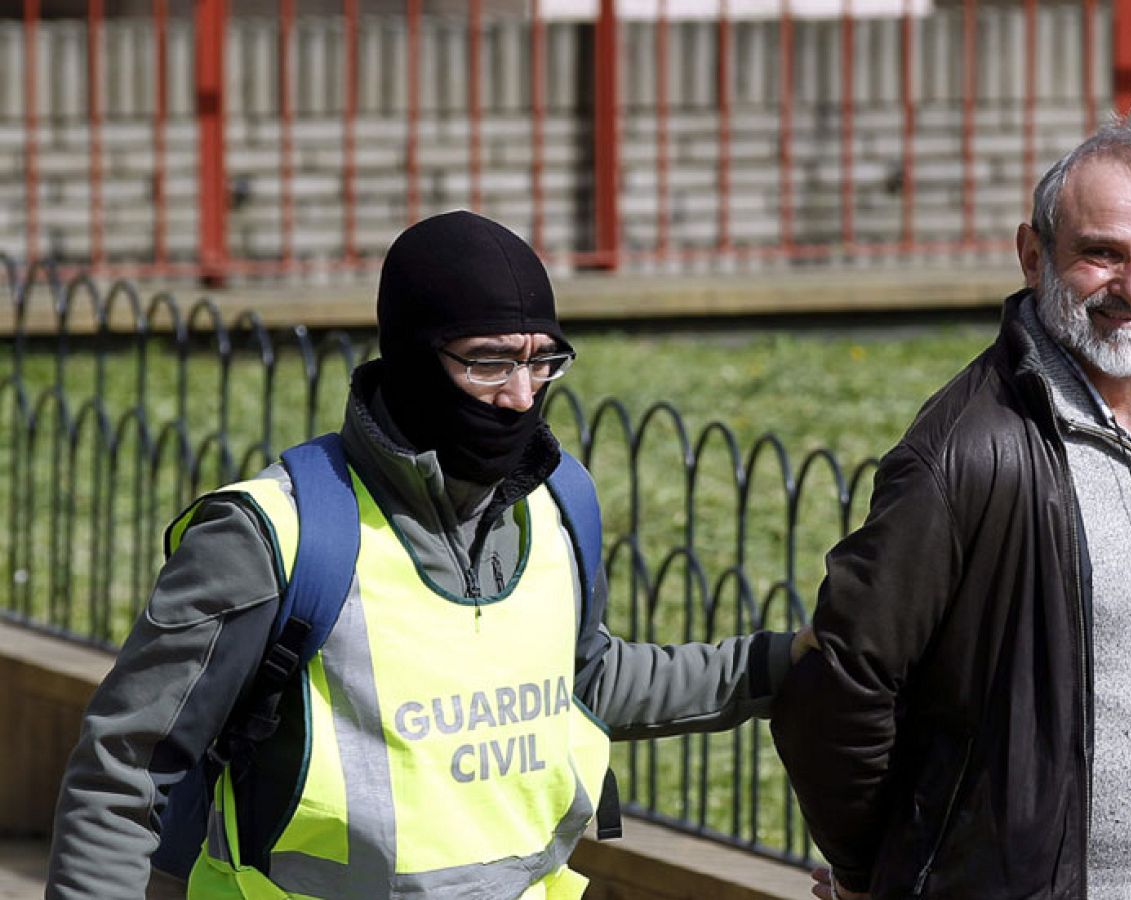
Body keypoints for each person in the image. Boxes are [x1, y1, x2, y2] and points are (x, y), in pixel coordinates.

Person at [47, 210, 800, 900]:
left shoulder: (560, 500)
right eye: (488, 363)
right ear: (411, 357)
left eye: (543, 362)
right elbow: (126, 772)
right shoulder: (268, 537)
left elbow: (582, 682)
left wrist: (783, 663)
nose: (520, 395)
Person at [773, 113, 1131, 900]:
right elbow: (838, 684)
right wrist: (870, 875)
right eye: (1100, 253)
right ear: (1032, 256)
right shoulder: (967, 453)